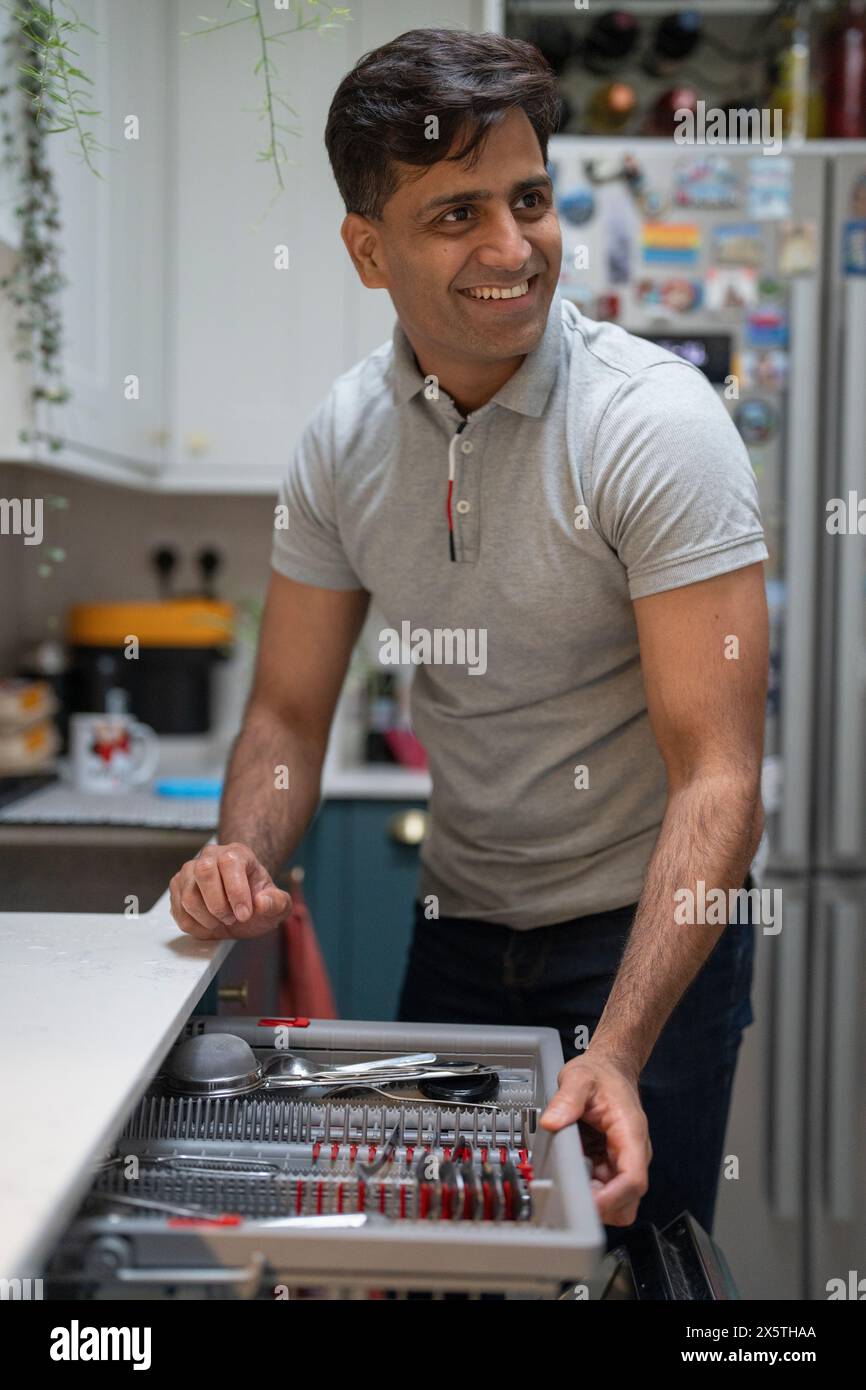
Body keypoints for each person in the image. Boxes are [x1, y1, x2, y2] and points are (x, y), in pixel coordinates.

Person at [169, 29, 769, 1247]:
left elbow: (719, 773)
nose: (511, 250)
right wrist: (243, 852)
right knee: (442, 1261)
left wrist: (616, 1044)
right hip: (454, 934)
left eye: (529, 201)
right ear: (365, 248)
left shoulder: (654, 425)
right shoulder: (341, 441)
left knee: (630, 1268)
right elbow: (287, 712)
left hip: (638, 944)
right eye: (455, 216)